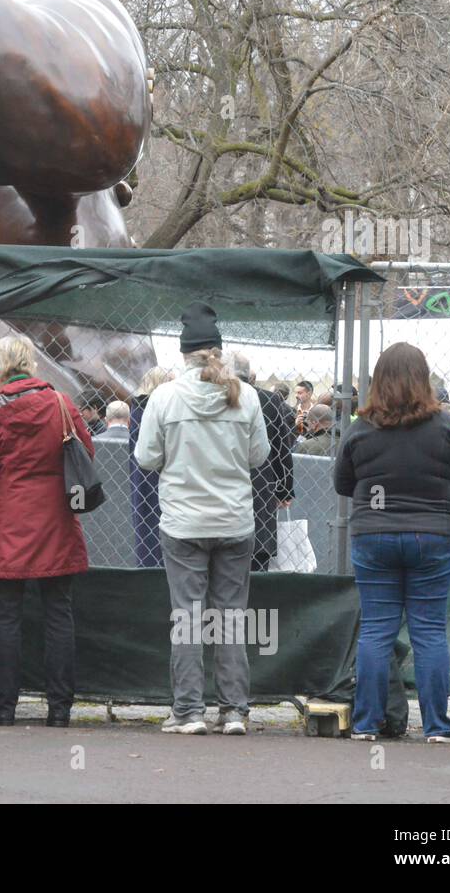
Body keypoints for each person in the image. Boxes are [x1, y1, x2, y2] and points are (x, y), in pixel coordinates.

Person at [333, 342, 450, 744]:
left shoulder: (360, 429)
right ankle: (437, 727)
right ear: (424, 379)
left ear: (377, 381)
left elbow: (342, 484)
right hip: (433, 535)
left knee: (376, 631)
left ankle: (366, 724)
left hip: (374, 536)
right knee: (429, 631)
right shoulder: (448, 427)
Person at [135, 304, 270, 735]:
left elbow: (146, 457)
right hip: (234, 520)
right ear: (219, 350)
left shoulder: (165, 397)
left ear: (183, 353)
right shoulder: (245, 396)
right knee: (231, 616)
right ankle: (234, 710)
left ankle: (188, 711)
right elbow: (258, 456)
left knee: (187, 617)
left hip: (183, 524)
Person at [0, 334, 93, 727]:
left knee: (6, 615)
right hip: (57, 516)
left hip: (11, 520)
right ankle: (60, 711)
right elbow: (85, 452)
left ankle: (3, 709)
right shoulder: (60, 403)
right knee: (59, 612)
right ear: (31, 363)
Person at [232, 355, 295, 572]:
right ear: (249, 374)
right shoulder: (268, 400)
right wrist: (285, 490)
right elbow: (281, 447)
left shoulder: (211, 398)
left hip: (220, 488)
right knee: (258, 558)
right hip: (259, 485)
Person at [128, 367, 174, 568]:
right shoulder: (160, 409)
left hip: (141, 476)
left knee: (145, 526)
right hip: (163, 475)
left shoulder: (136, 408)